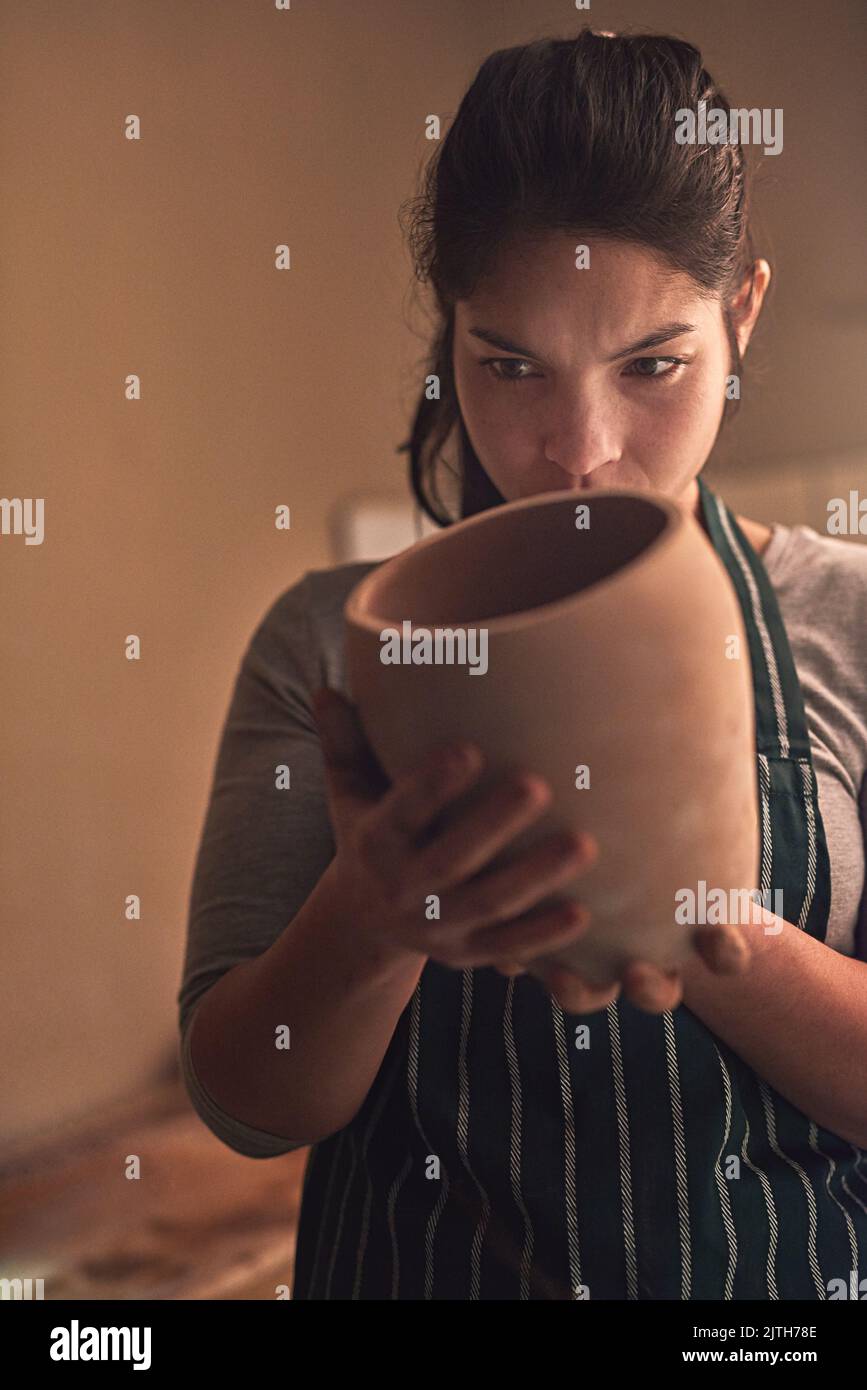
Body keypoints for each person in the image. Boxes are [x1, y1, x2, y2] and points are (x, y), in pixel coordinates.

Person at [177, 29, 867, 1300]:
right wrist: (374, 923)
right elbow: (247, 1100)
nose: (580, 450)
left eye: (653, 364)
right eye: (509, 367)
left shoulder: (849, 619)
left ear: (744, 318)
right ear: (449, 343)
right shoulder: (328, 644)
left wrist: (704, 917)